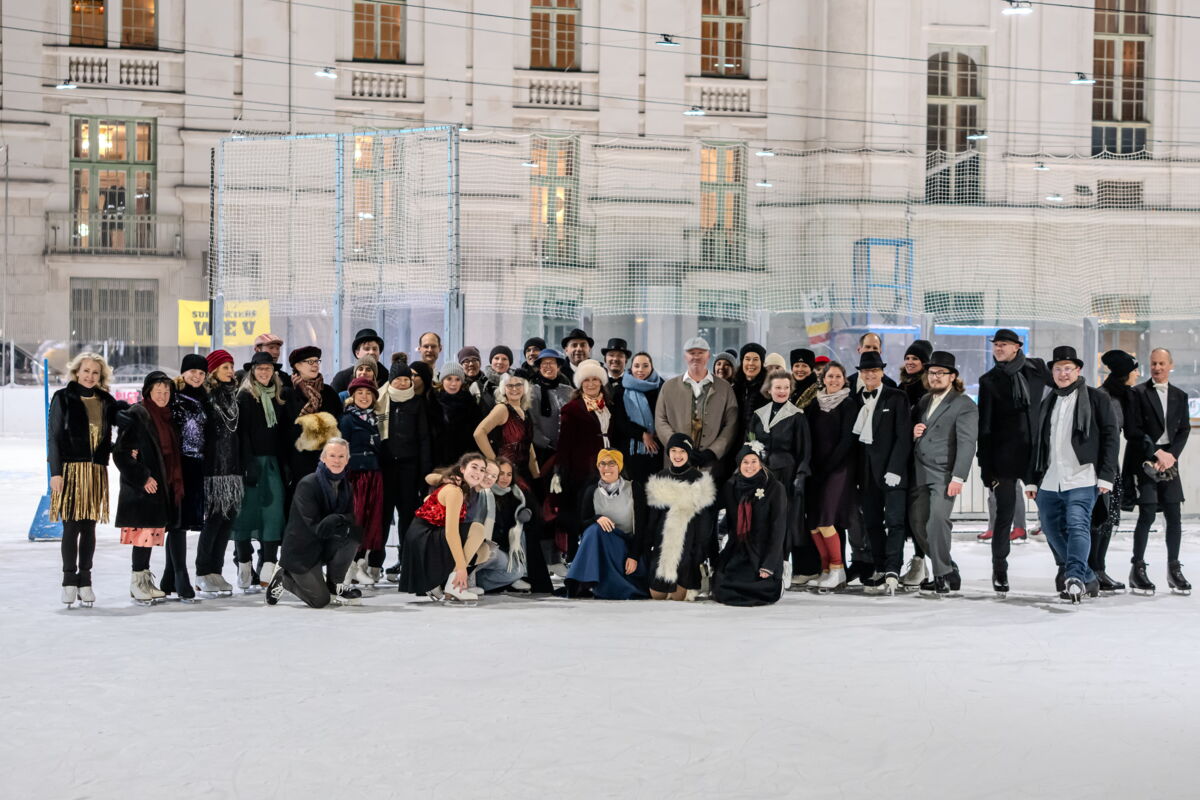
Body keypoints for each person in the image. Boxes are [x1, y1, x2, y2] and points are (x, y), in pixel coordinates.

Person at [1026, 345, 1118, 603]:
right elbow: (1038, 443)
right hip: (1050, 478)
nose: (1063, 374)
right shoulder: (1048, 401)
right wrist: (1032, 478)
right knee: (1051, 528)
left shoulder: (1097, 398)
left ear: (1078, 370)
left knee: (1078, 525)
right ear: (1052, 372)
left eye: (1068, 369)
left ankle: (1075, 576)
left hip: (1083, 475)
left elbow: (1111, 437)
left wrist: (1106, 475)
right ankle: (1088, 576)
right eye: (1058, 369)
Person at [977, 328, 1051, 593]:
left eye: (1004, 344)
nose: (998, 348)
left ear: (1017, 347)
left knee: (1051, 515)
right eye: (996, 344)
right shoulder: (988, 381)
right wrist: (986, 469)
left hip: (1036, 456)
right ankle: (1000, 569)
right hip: (1004, 458)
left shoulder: (1037, 370)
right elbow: (984, 428)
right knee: (1003, 516)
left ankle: (1066, 568)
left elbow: (1063, 390)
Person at [49, 352, 125, 607]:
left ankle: (86, 580)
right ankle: (69, 581)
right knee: (71, 527)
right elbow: (55, 438)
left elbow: (121, 425)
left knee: (89, 528)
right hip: (70, 470)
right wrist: (56, 473)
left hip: (95, 472)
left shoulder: (105, 401)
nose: (90, 376)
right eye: (86, 371)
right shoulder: (63, 398)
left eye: (95, 372)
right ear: (76, 372)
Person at [908, 352, 978, 594]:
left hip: (943, 473)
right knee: (917, 523)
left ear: (953, 376)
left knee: (937, 520)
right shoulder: (925, 401)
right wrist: (914, 432)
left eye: (941, 373)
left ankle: (942, 576)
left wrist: (958, 477)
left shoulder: (964, 404)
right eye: (932, 373)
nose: (935, 377)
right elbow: (915, 428)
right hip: (919, 471)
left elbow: (967, 442)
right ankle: (947, 567)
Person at [113, 372, 184, 605]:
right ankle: (137, 583)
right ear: (148, 393)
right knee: (142, 537)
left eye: (166, 391)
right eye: (158, 391)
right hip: (143, 489)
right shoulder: (138, 414)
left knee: (151, 536)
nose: (163, 395)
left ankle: (144, 581)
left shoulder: (167, 417)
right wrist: (143, 477)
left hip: (161, 487)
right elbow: (121, 454)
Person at [266, 439, 364, 608]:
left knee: (354, 533)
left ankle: (335, 585)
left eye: (341, 456)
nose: (337, 460)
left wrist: (338, 519)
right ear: (323, 458)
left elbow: (350, 518)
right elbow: (316, 527)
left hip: (325, 543)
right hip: (302, 550)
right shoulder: (308, 484)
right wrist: (338, 519)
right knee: (320, 600)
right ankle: (285, 578)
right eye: (332, 455)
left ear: (347, 460)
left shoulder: (346, 486)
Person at [1125, 347, 1191, 594]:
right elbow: (1132, 430)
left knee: (1174, 515)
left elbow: (1184, 430)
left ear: (1170, 364)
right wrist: (1156, 453)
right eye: (1154, 363)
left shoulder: (1180, 395)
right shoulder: (1137, 393)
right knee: (1148, 514)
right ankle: (1137, 568)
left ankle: (1174, 568)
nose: (1157, 368)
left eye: (1162, 363)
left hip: (1169, 459)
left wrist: (1171, 455)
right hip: (1146, 458)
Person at [852, 351, 911, 594]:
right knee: (873, 523)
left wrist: (895, 468)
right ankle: (879, 565)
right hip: (866, 475)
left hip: (892, 472)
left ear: (882, 372)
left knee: (895, 523)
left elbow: (903, 436)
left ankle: (893, 570)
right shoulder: (856, 399)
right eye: (866, 371)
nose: (870, 375)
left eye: (874, 371)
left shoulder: (897, 397)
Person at [555, 359, 624, 561]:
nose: (591, 384)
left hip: (608, 466)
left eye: (595, 379)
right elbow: (564, 442)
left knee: (604, 511)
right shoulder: (572, 408)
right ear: (580, 383)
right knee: (581, 513)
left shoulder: (609, 406)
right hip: (582, 469)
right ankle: (575, 558)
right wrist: (561, 469)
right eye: (587, 380)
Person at [748, 371, 813, 586]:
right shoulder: (759, 414)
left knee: (782, 521)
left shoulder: (797, 415)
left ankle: (783, 564)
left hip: (786, 475)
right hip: (761, 474)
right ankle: (760, 564)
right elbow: (749, 444)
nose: (782, 391)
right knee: (760, 519)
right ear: (769, 389)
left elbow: (805, 451)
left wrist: (801, 476)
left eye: (786, 387)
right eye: (778, 387)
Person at [398, 453, 490, 603]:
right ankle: (455, 584)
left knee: (483, 551)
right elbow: (451, 533)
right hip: (424, 538)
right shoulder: (455, 491)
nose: (478, 473)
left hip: (429, 534)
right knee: (477, 529)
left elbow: (430, 495)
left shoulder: (462, 489)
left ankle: (447, 585)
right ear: (462, 469)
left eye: (482, 470)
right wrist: (461, 568)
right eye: (474, 467)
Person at [232, 351, 288, 592]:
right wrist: (247, 464)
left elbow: (284, 433)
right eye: (260, 368)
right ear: (252, 371)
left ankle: (269, 565)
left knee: (272, 515)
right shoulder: (245, 397)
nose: (265, 372)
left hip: (273, 464)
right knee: (246, 515)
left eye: (268, 368)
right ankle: (244, 563)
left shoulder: (279, 396)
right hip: (251, 463)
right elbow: (241, 434)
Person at [643, 434, 719, 601]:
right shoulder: (660, 477)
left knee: (679, 596)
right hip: (663, 547)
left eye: (682, 451)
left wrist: (699, 552)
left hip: (688, 547)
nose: (677, 455)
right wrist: (648, 546)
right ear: (668, 453)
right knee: (657, 595)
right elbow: (653, 520)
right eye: (674, 451)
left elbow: (705, 523)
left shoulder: (699, 480)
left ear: (689, 453)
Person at [653, 337, 740, 482]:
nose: (696, 356)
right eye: (691, 352)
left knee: (710, 503)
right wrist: (678, 448)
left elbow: (732, 424)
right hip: (676, 466)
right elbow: (660, 420)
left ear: (708, 355)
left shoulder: (724, 388)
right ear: (685, 356)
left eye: (700, 352)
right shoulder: (669, 387)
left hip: (712, 467)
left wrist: (712, 452)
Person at [565, 449, 649, 599]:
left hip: (624, 548)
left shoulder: (634, 488)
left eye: (611, 464)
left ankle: (584, 582)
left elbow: (642, 526)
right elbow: (581, 525)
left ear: (619, 467)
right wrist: (597, 518)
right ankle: (585, 582)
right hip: (601, 546)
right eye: (602, 464)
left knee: (594, 530)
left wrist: (634, 556)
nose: (606, 468)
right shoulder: (591, 491)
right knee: (593, 530)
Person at [712, 442, 787, 606]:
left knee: (760, 588)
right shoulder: (731, 486)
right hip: (739, 546)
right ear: (739, 465)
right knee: (722, 587)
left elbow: (778, 528)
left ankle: (777, 582)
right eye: (745, 462)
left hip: (762, 550)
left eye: (754, 461)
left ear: (761, 463)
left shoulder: (775, 488)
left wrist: (769, 564)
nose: (750, 466)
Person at [378, 356, 432, 582]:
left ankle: (406, 561)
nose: (402, 383)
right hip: (385, 467)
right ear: (391, 381)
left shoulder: (417, 403)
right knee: (382, 516)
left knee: (407, 517)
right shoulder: (380, 401)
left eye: (405, 379)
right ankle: (375, 562)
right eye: (397, 379)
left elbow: (424, 439)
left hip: (409, 467)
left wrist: (425, 472)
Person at [160, 354, 209, 601]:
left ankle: (169, 577)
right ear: (183, 373)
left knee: (184, 521)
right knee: (177, 523)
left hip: (196, 466)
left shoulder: (204, 398)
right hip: (178, 465)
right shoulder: (175, 399)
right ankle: (180, 575)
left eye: (201, 373)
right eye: (193, 372)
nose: (197, 377)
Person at [1089, 349, 1138, 593]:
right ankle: (1094, 569)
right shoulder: (1104, 397)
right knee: (1100, 518)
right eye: (1134, 370)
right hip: (1101, 468)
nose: (1137, 374)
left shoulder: (1124, 396)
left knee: (1108, 519)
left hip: (1111, 466)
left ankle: (1098, 568)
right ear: (1124, 374)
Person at [805, 361, 856, 590]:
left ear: (844, 379)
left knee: (827, 520)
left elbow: (847, 440)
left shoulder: (848, 404)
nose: (833, 380)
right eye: (830, 376)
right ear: (822, 379)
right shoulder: (813, 405)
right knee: (814, 523)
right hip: (815, 469)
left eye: (838, 376)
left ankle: (838, 568)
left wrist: (829, 465)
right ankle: (826, 569)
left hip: (838, 469)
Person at [195, 349, 241, 596]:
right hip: (212, 470)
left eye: (232, 367)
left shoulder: (233, 396)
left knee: (227, 521)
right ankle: (203, 571)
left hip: (233, 470)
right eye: (225, 367)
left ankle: (216, 570)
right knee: (213, 521)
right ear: (213, 370)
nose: (231, 371)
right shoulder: (206, 397)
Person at [339, 376, 385, 585]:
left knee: (370, 520)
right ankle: (348, 563)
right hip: (355, 476)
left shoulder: (378, 419)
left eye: (368, 393)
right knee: (355, 519)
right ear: (352, 396)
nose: (364, 397)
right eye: (360, 393)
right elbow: (342, 447)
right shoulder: (347, 419)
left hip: (374, 475)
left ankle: (359, 563)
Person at [491, 457, 554, 593]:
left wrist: (526, 514)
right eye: (501, 473)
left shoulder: (518, 493)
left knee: (523, 532)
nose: (505, 478)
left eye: (509, 474)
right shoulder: (486, 492)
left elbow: (535, 517)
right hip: (494, 543)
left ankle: (523, 575)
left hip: (511, 543)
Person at [284, 346, 342, 487]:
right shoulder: (287, 393)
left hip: (325, 459)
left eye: (317, 361)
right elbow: (284, 431)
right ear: (297, 365)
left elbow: (338, 424)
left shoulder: (329, 392)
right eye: (310, 361)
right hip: (298, 460)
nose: (315, 365)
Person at [474, 373, 538, 484]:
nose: (514, 389)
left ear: (525, 388)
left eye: (518, 385)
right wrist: (495, 464)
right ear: (503, 389)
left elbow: (528, 444)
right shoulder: (502, 408)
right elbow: (479, 433)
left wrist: (536, 474)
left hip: (524, 473)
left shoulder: (524, 411)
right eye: (510, 386)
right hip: (507, 476)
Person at [527, 347, 574, 472]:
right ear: (539, 367)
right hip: (543, 451)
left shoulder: (569, 391)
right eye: (544, 363)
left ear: (558, 367)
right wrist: (547, 444)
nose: (548, 366)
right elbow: (531, 424)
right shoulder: (532, 391)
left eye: (551, 363)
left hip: (568, 449)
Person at [621, 352, 664, 484]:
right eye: (636, 366)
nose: (640, 370)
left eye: (645, 366)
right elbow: (621, 422)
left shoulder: (662, 388)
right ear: (631, 368)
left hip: (659, 448)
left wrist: (660, 431)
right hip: (633, 450)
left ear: (651, 367)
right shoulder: (621, 391)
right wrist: (643, 434)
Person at [431, 362, 484, 468]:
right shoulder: (432, 401)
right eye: (449, 379)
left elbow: (475, 436)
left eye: (457, 379)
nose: (453, 383)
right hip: (437, 461)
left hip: (464, 461)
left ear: (462, 381)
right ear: (442, 380)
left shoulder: (470, 403)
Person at [329, 328, 386, 392]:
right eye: (367, 349)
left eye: (375, 349)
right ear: (357, 353)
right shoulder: (342, 378)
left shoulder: (387, 378)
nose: (371, 352)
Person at [733, 342, 769, 436]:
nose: (751, 363)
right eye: (747, 359)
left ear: (762, 363)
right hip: (734, 442)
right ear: (742, 362)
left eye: (755, 359)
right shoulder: (734, 388)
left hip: (759, 444)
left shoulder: (769, 389)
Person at [475, 345, 513, 412]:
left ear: (509, 363)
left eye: (504, 359)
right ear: (491, 361)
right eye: (496, 358)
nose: (500, 362)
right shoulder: (480, 384)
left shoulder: (517, 384)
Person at [899, 339, 932, 408]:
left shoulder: (927, 387)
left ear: (924, 363)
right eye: (907, 358)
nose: (909, 362)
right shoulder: (903, 385)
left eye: (915, 358)